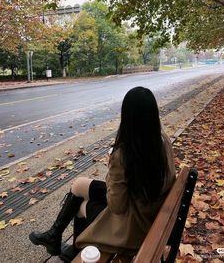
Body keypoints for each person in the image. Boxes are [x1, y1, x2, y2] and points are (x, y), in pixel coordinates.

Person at [29, 86, 175, 262]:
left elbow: (117, 206)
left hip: (134, 224)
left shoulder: (124, 155)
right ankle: (55, 235)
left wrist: (111, 167)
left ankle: (73, 250)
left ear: (127, 117)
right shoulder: (161, 139)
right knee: (78, 185)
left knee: (81, 206)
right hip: (148, 207)